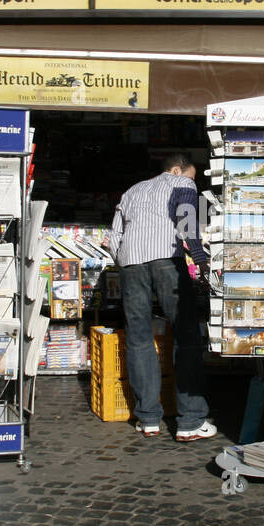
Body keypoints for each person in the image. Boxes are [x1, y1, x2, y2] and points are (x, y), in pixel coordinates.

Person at [107, 153, 217, 442]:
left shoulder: (132, 190)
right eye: (191, 176)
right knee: (186, 336)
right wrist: (199, 257)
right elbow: (186, 219)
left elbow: (114, 236)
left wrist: (125, 260)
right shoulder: (182, 184)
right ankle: (191, 420)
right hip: (167, 258)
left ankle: (148, 419)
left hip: (131, 262)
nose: (192, 183)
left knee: (139, 338)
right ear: (178, 169)